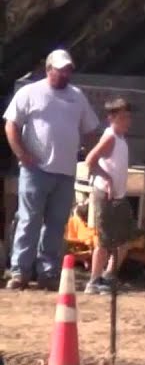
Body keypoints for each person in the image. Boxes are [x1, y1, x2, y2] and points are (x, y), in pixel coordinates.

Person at [4, 49, 100, 290]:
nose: (65, 73)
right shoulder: (30, 93)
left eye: (68, 69)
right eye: (61, 69)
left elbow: (89, 130)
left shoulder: (77, 97)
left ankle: (48, 272)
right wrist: (22, 154)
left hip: (65, 172)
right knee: (29, 220)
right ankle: (20, 272)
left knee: (57, 224)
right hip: (35, 170)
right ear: (49, 69)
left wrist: (91, 159)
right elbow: (11, 125)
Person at [82, 97, 135, 295]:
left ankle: (107, 276)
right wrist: (108, 180)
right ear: (111, 118)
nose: (126, 121)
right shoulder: (110, 137)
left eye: (128, 117)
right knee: (104, 242)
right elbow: (90, 160)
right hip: (104, 194)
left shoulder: (121, 139)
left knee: (126, 240)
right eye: (122, 117)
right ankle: (93, 281)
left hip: (118, 197)